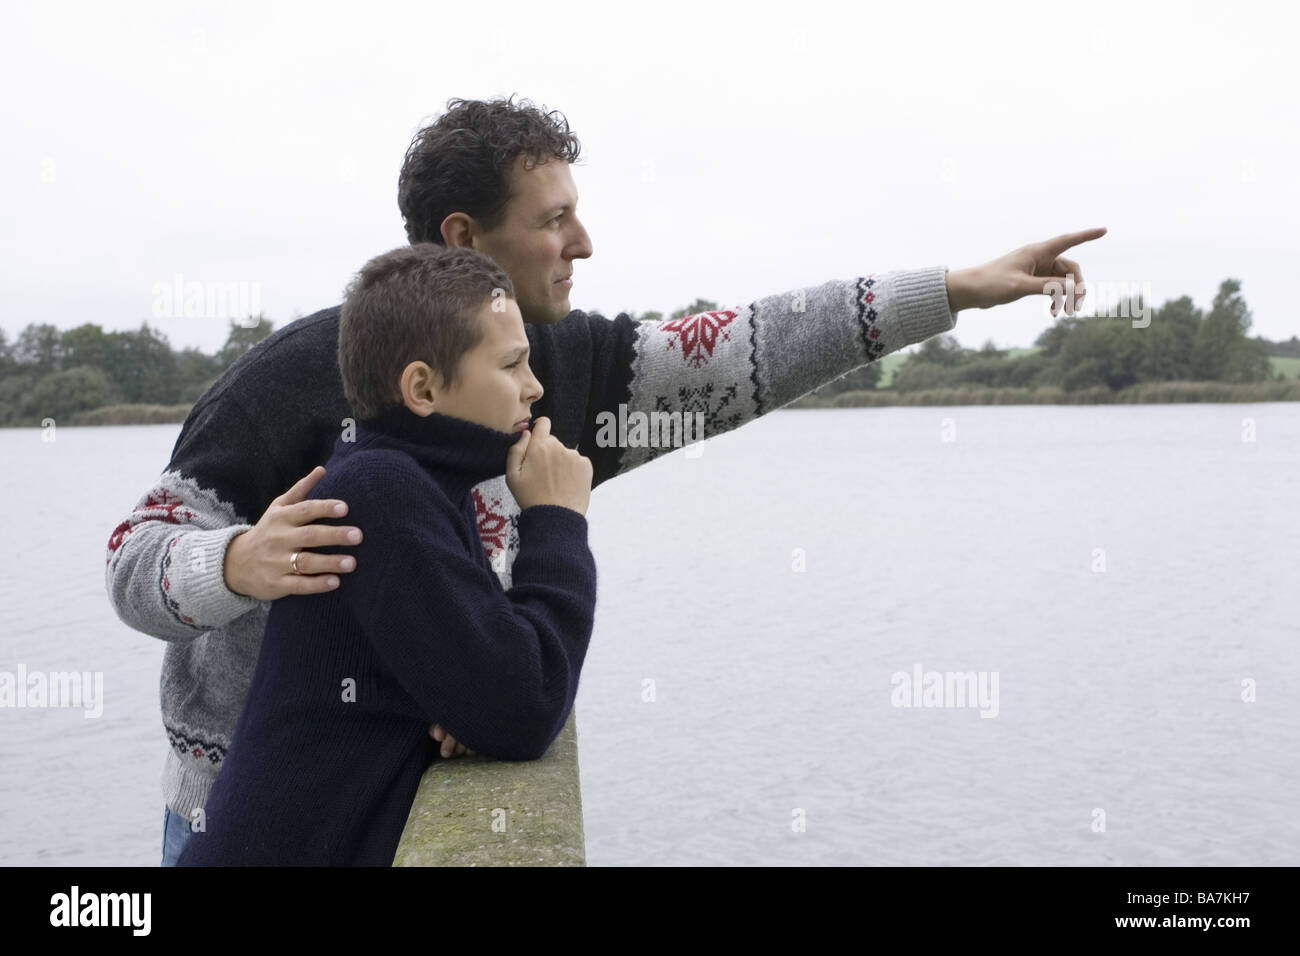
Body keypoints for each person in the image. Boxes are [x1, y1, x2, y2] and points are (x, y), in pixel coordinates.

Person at [103, 94, 1105, 866]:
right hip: (240, 808)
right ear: (462, 238)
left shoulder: (560, 364)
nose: (584, 243)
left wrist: (957, 290)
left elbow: (743, 347)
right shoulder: (286, 383)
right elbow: (130, 561)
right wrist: (233, 558)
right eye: (555, 220)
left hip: (404, 790)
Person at [176, 244, 592, 866]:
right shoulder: (381, 492)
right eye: (511, 365)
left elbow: (504, 690)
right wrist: (557, 520)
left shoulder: (415, 485)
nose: (535, 387)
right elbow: (527, 706)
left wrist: (469, 700)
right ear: (422, 387)